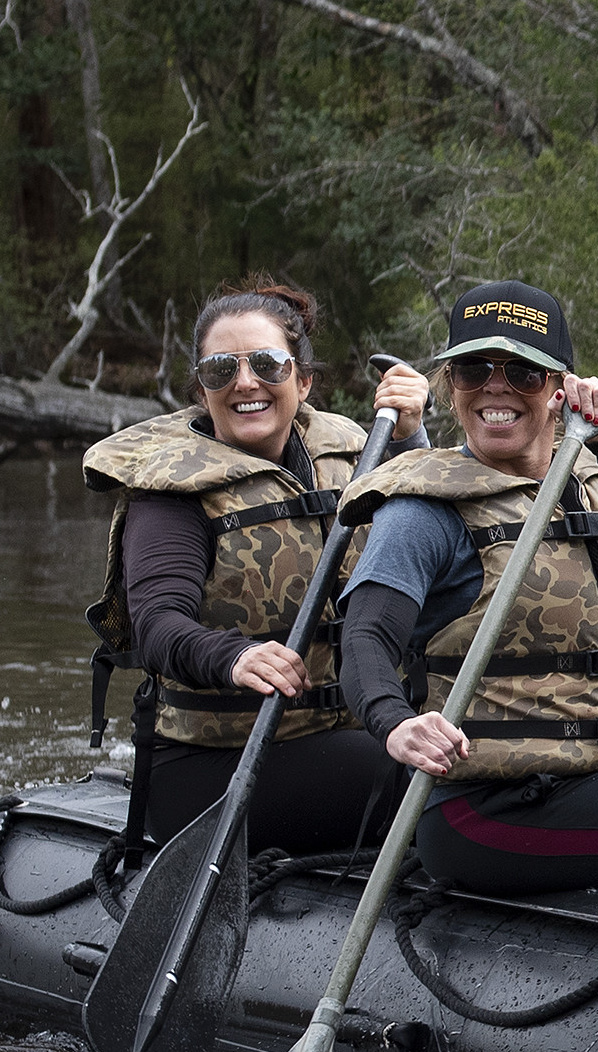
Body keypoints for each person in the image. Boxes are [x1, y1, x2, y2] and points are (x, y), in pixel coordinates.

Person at [84, 282, 430, 852]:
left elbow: (451, 541)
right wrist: (237, 655)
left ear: (304, 380)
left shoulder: (359, 458)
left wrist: (414, 436)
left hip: (350, 728)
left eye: (267, 364)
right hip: (215, 765)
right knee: (431, 785)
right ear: (202, 388)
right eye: (222, 369)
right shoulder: (172, 492)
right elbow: (157, 626)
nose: (245, 382)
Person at [334, 281, 598, 894]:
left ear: (561, 390)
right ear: (451, 387)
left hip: (594, 777)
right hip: (481, 807)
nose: (495, 387)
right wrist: (394, 721)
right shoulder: (424, 511)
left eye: (523, 373)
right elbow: (367, 637)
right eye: (473, 369)